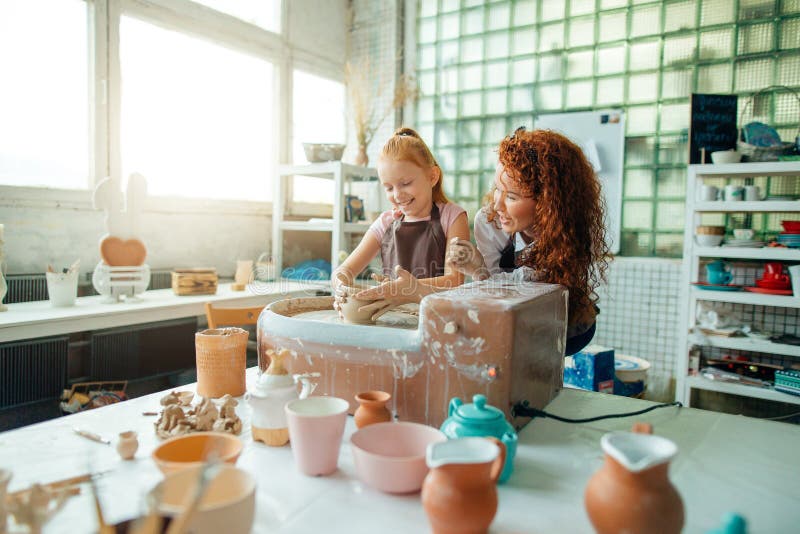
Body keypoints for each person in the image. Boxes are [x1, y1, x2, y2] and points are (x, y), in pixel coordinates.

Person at [447, 127, 609, 355]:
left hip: (568, 327)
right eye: (497, 189)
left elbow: (527, 290)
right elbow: (496, 293)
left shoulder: (569, 233)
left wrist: (477, 269)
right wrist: (479, 269)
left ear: (547, 203)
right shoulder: (489, 221)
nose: (497, 205)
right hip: (514, 315)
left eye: (511, 197)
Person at [332, 127, 470, 319]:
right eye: (388, 188)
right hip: (393, 318)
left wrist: (412, 289)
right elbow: (343, 271)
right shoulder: (386, 222)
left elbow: (454, 281)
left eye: (405, 183)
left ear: (432, 176)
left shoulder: (453, 217)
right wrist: (340, 288)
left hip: (439, 319)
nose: (397, 195)